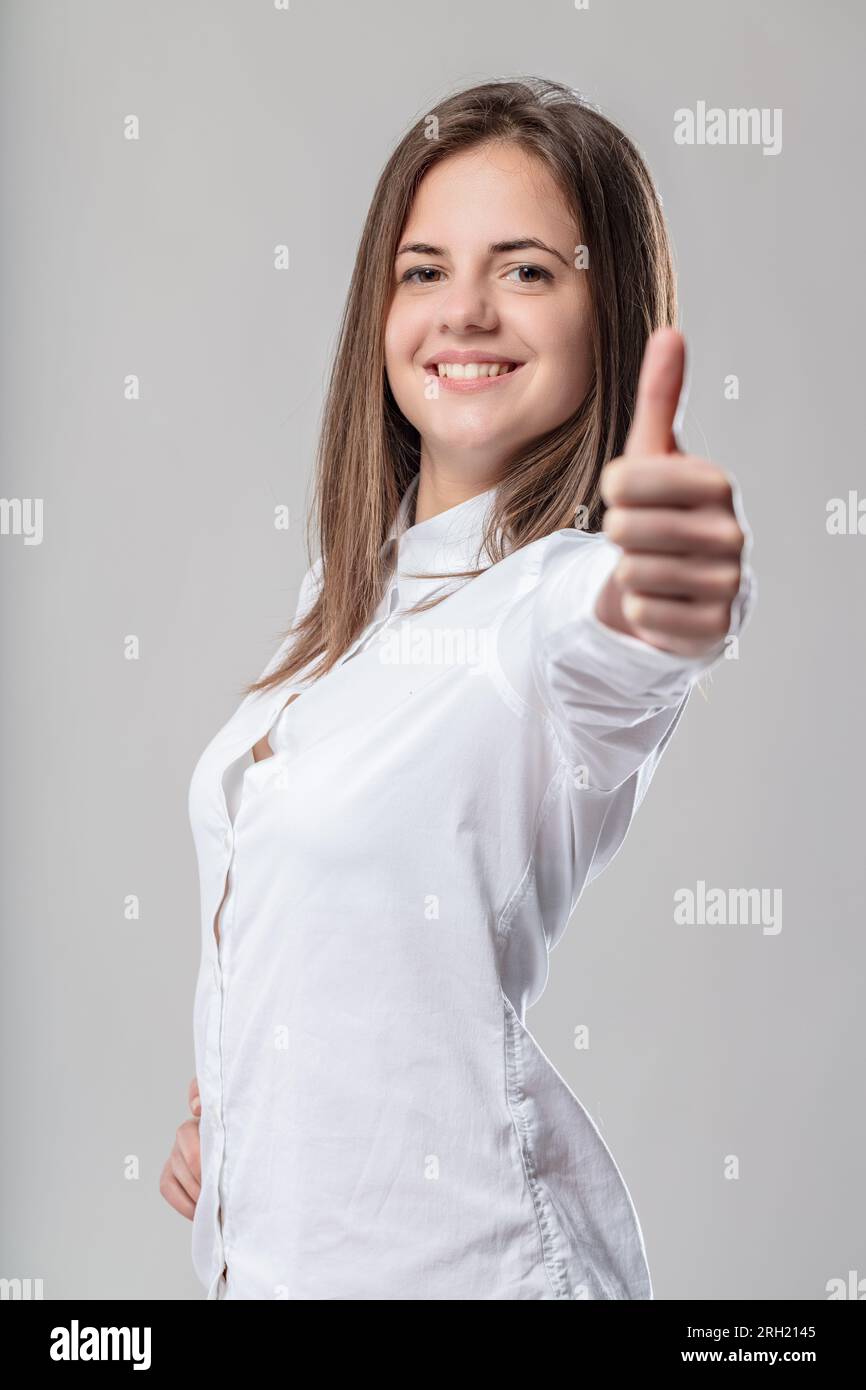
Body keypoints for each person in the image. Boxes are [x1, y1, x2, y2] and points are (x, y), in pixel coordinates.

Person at [160, 76, 756, 1300]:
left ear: (611, 316)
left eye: (528, 270)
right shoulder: (344, 597)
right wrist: (236, 1106)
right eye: (423, 268)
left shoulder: (557, 600)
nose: (465, 310)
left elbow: (635, 635)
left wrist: (680, 576)